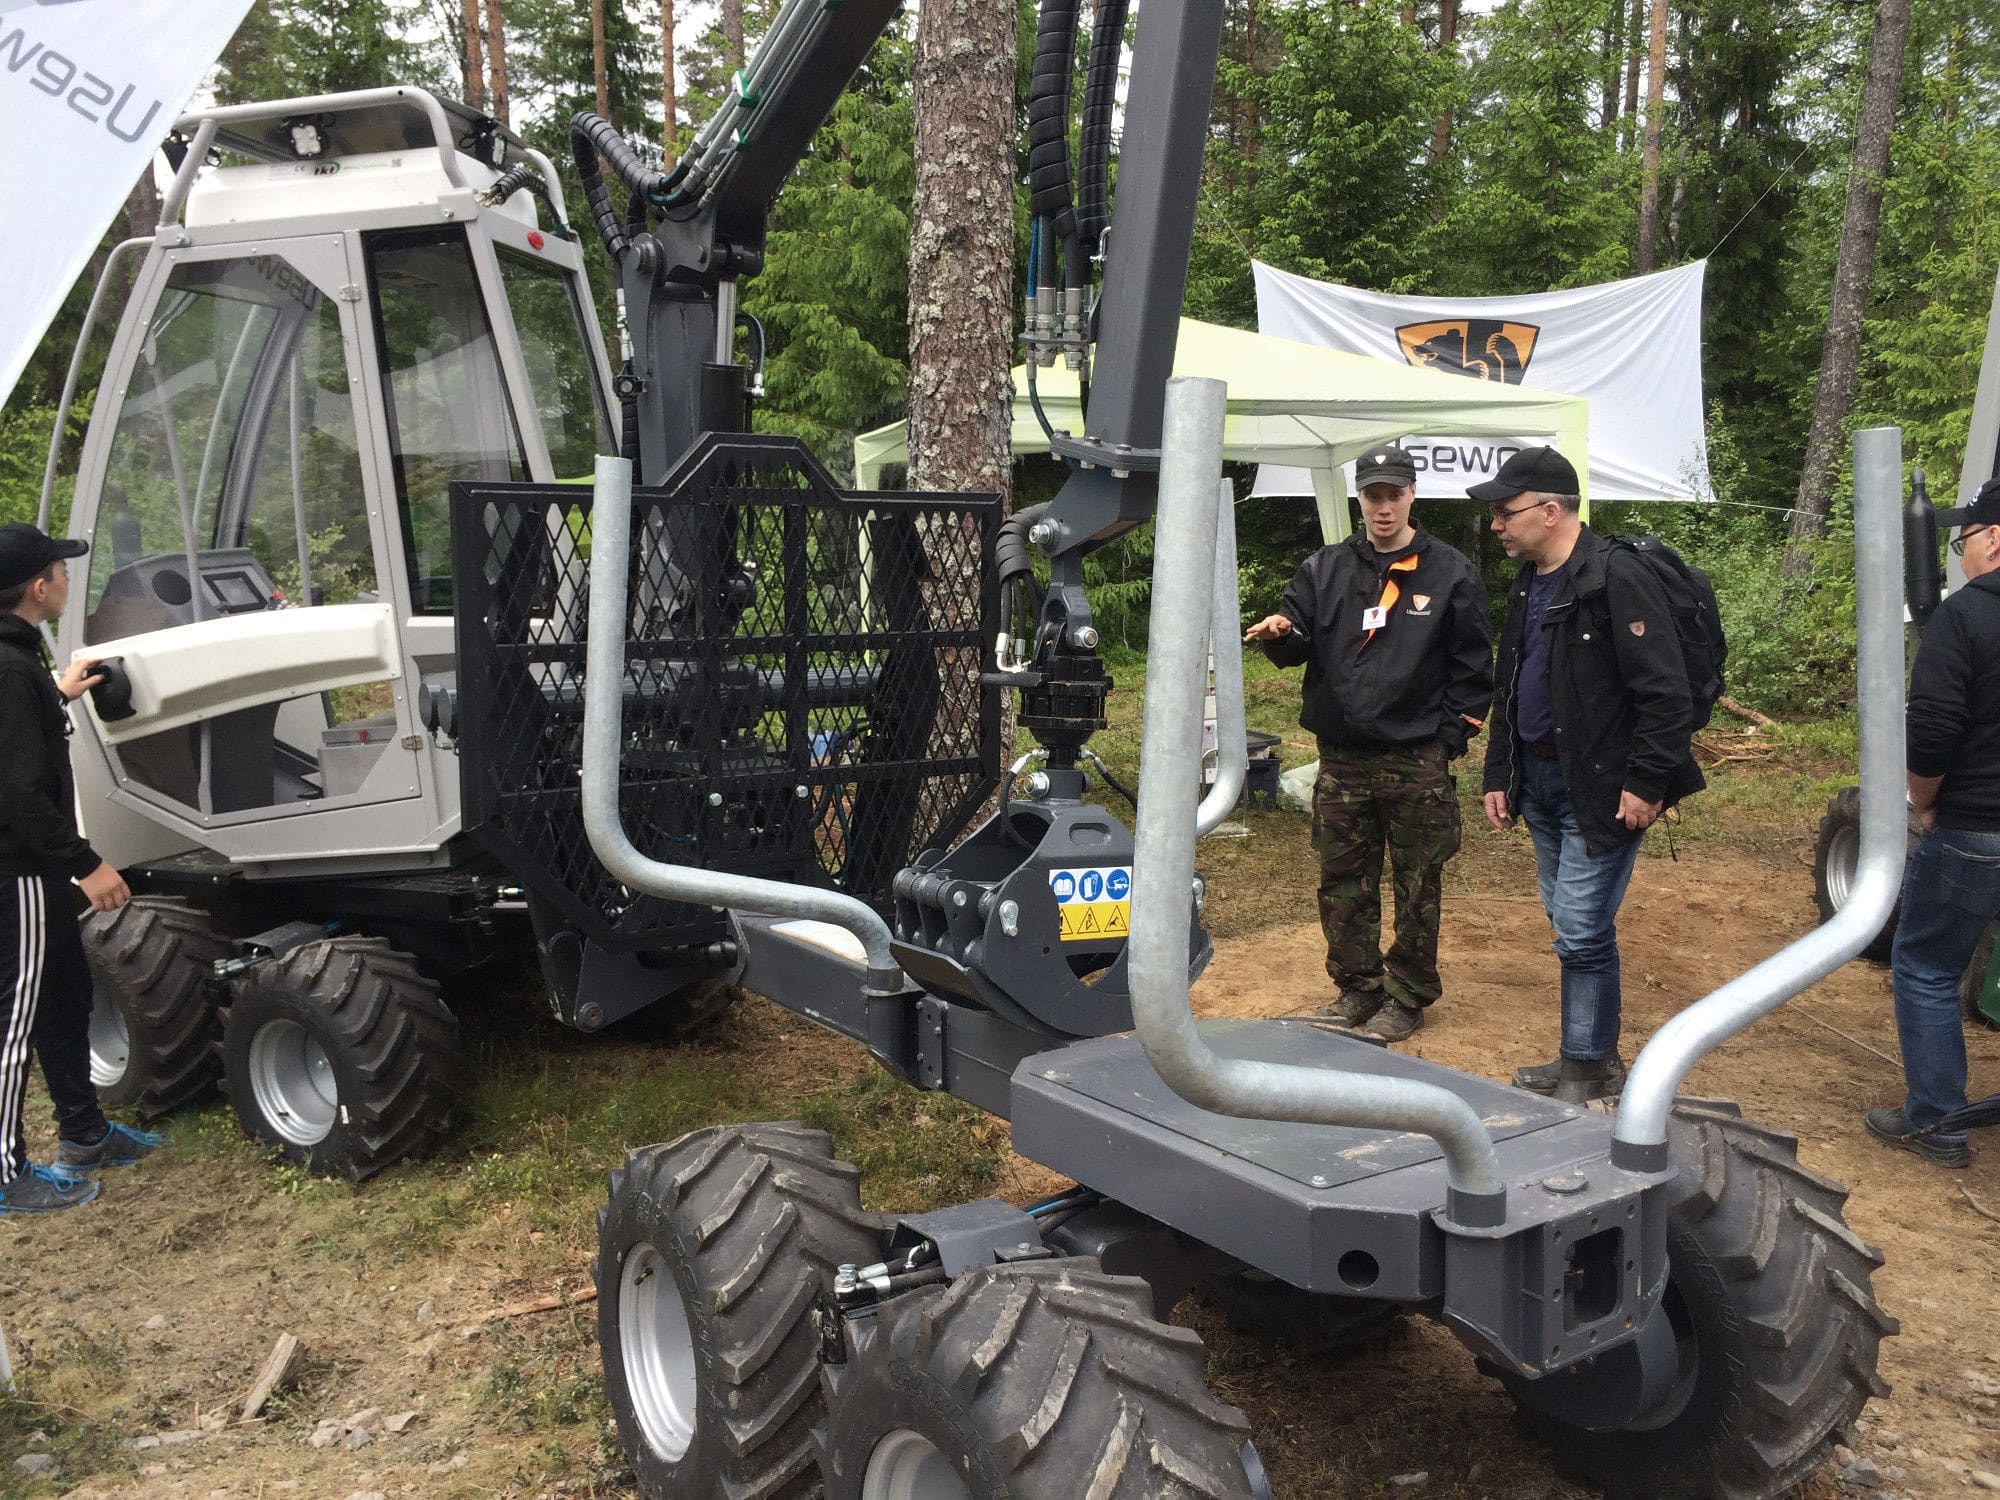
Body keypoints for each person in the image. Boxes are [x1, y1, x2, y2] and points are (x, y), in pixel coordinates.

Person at [1476, 447, 1703, 1101]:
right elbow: (1511, 684)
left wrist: (1648, 780)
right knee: (1572, 921)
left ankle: (1590, 1063)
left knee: (1578, 927)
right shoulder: (1530, 582)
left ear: (1550, 512)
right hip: (1543, 780)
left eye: (1505, 511)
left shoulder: (1616, 577)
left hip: (1603, 786)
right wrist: (1500, 771)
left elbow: (1666, 693)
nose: (1496, 524)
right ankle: (1589, 1056)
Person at [1246, 445, 1492, 1041]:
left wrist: (1449, 741)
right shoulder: (1325, 568)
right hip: (1343, 760)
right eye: (1373, 496)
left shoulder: (1449, 571)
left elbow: (1474, 668)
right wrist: (1280, 633)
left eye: (1395, 495)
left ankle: (1406, 996)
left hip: (1415, 760)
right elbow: (1298, 637)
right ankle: (1356, 988)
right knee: (1343, 881)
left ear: (1413, 494)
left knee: (1417, 882)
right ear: (1360, 498)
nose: (1384, 508)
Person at [0, 522, 162, 1217]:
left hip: (34, 869)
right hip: (19, 875)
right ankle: (6, 1174)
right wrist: (87, 864)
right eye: (62, 572)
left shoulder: (16, 660)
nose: (69, 580)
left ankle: (85, 1134)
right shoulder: (9, 671)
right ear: (40, 588)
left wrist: (55, 692)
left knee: (64, 998)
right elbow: (19, 794)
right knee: (13, 1018)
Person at [1864, 477, 2000, 1168]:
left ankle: (1937, 1120)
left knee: (1924, 964)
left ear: (1994, 538)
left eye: (1964, 539)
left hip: (1977, 828)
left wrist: (1921, 800)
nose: (1962, 553)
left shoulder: (1964, 617)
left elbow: (1935, 728)